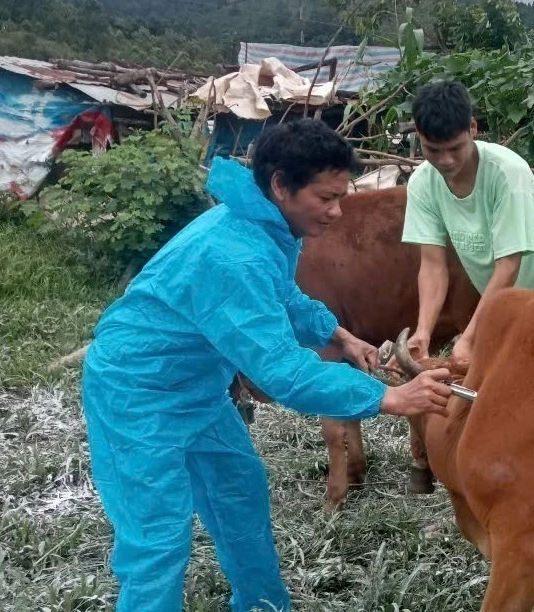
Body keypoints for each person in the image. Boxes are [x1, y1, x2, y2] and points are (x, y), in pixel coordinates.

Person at [80, 118, 453, 612]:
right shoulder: (233, 255)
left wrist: (339, 336)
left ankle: (262, 605)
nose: (337, 211)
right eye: (325, 198)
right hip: (137, 393)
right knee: (158, 538)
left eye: (341, 195)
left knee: (240, 497)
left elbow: (284, 296)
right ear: (281, 185)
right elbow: (285, 374)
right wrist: (389, 398)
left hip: (197, 390)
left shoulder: (265, 226)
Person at [400, 80, 534, 362]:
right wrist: (423, 332)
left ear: (473, 128)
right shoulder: (423, 183)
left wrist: (472, 336)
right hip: (507, 310)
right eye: (433, 150)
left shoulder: (507, 173)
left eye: (455, 148)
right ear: (419, 136)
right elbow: (433, 265)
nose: (445, 161)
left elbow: (508, 265)